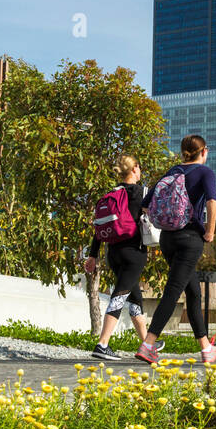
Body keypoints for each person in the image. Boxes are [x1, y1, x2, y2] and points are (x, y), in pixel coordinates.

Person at [135, 134, 216, 365]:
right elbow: (212, 202)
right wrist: (210, 231)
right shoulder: (205, 173)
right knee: (173, 290)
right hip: (189, 238)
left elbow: (146, 204)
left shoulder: (172, 171)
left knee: (193, 292)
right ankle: (148, 344)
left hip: (167, 239)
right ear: (203, 152)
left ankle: (207, 349)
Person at [83, 154, 152, 360]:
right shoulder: (142, 193)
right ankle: (103, 344)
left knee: (135, 300)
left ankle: (147, 346)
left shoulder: (111, 194)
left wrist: (93, 255)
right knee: (119, 297)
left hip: (113, 253)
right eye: (139, 167)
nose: (140, 171)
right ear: (134, 170)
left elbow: (99, 226)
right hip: (134, 253)